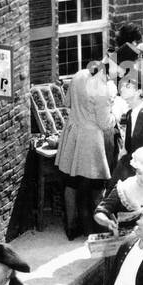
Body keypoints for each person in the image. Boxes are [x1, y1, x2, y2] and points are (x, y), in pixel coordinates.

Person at [55, 59, 117, 238]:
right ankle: (97, 227)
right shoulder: (104, 91)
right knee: (97, 185)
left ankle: (71, 226)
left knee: (71, 181)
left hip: (73, 133)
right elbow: (105, 124)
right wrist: (117, 111)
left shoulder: (78, 75)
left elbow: (68, 103)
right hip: (91, 140)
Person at [93, 146, 143, 235]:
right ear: (135, 170)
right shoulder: (124, 188)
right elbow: (100, 212)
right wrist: (107, 222)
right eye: (139, 173)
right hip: (125, 240)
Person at [110, 68, 143, 182]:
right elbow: (128, 148)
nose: (122, 89)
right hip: (129, 170)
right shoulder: (131, 113)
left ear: (140, 91)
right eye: (122, 85)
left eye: (127, 86)